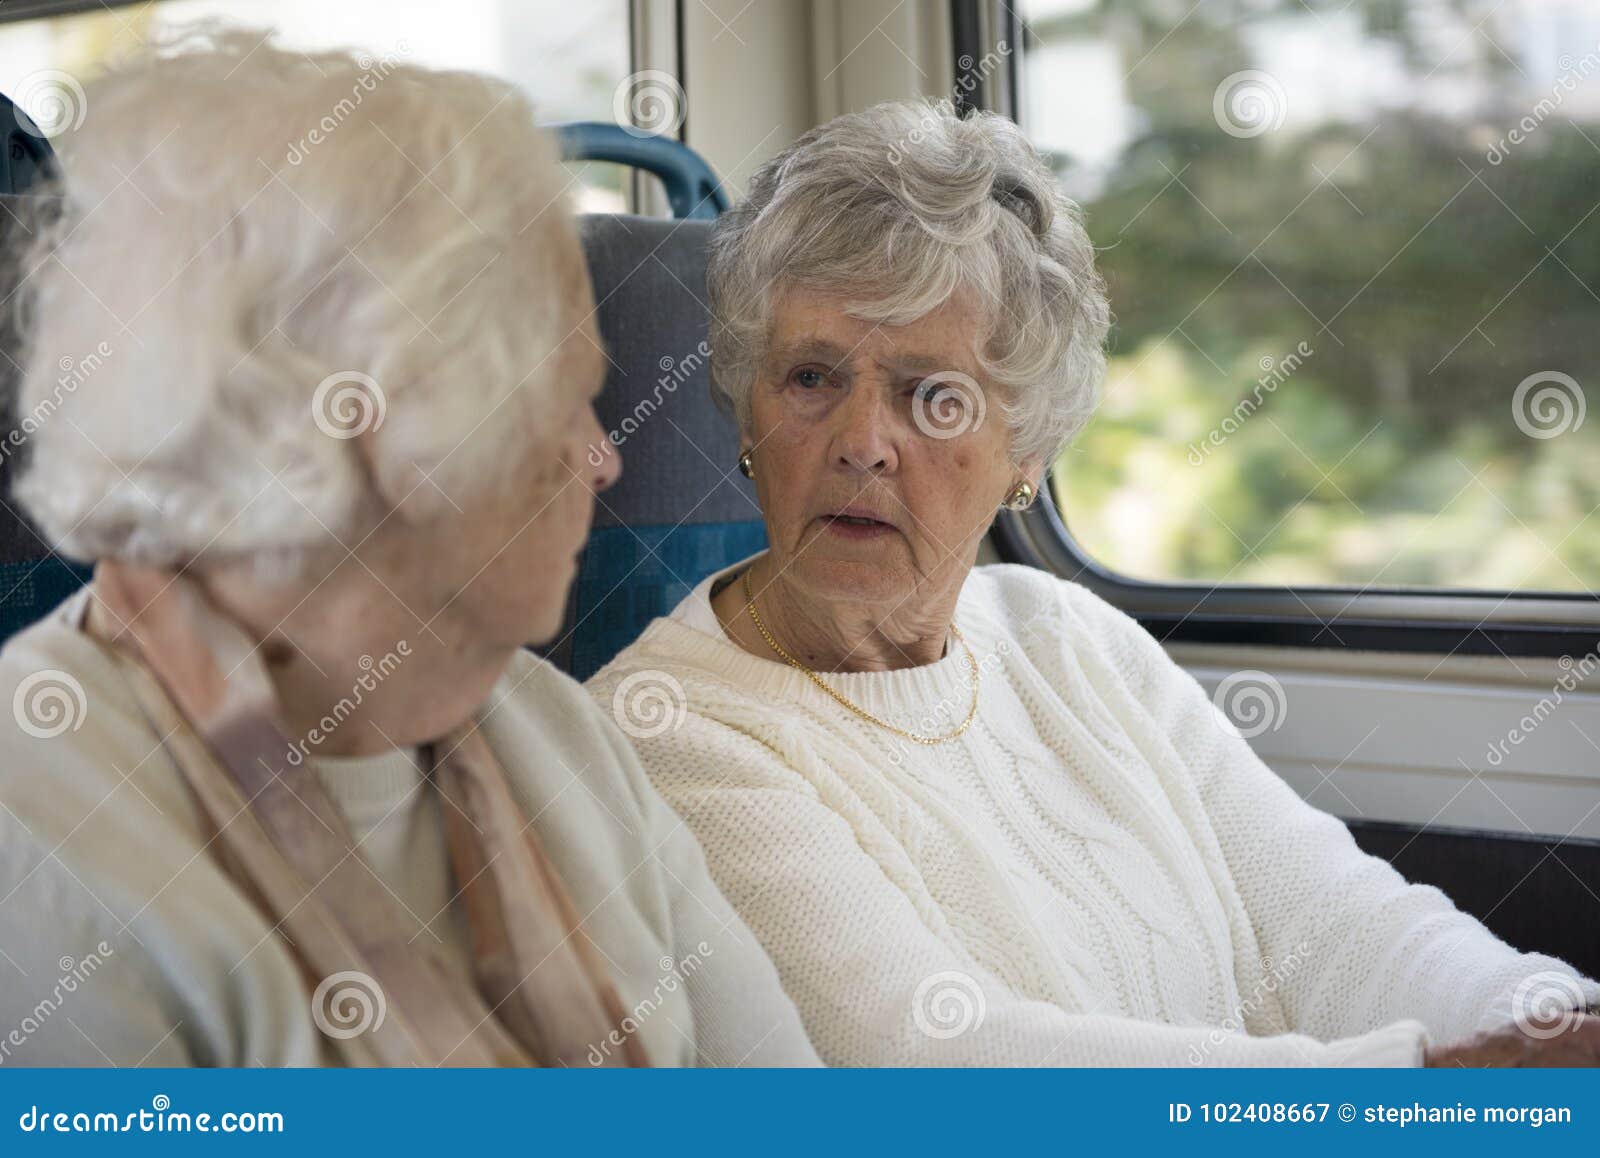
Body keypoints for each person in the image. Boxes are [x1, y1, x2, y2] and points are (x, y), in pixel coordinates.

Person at [586, 99, 1600, 1067]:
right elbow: (936, 1059)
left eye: (930, 395)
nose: (862, 443)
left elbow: (1332, 916)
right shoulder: (664, 732)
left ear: (1023, 446)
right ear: (747, 412)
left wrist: (1544, 1027)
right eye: (811, 378)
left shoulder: (1064, 633)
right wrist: (1421, 1092)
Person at [0, 33, 817, 1068]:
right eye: (567, 404)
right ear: (392, 434)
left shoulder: (548, 727)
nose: (604, 462)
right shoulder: (38, 839)